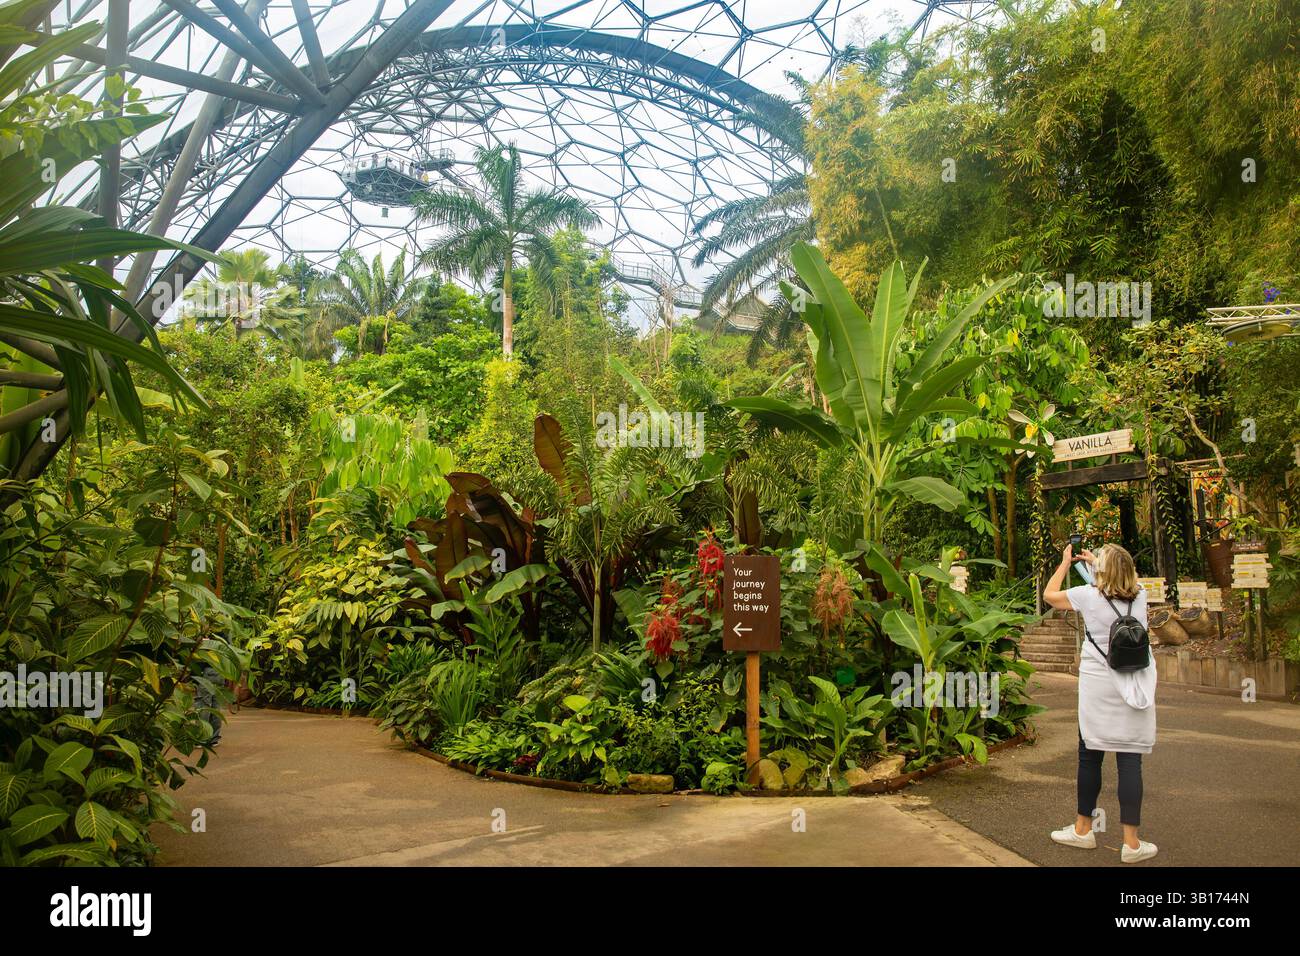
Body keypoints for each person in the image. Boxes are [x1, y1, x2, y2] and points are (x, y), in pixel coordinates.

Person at [1043, 542, 1158, 863]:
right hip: (1133, 685)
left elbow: (1050, 595)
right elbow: (1120, 579)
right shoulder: (1142, 596)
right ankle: (1131, 844)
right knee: (1130, 761)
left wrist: (1067, 562)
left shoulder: (1087, 596)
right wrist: (1100, 561)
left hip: (1099, 688)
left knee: (1090, 757)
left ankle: (1083, 830)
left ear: (1102, 572)